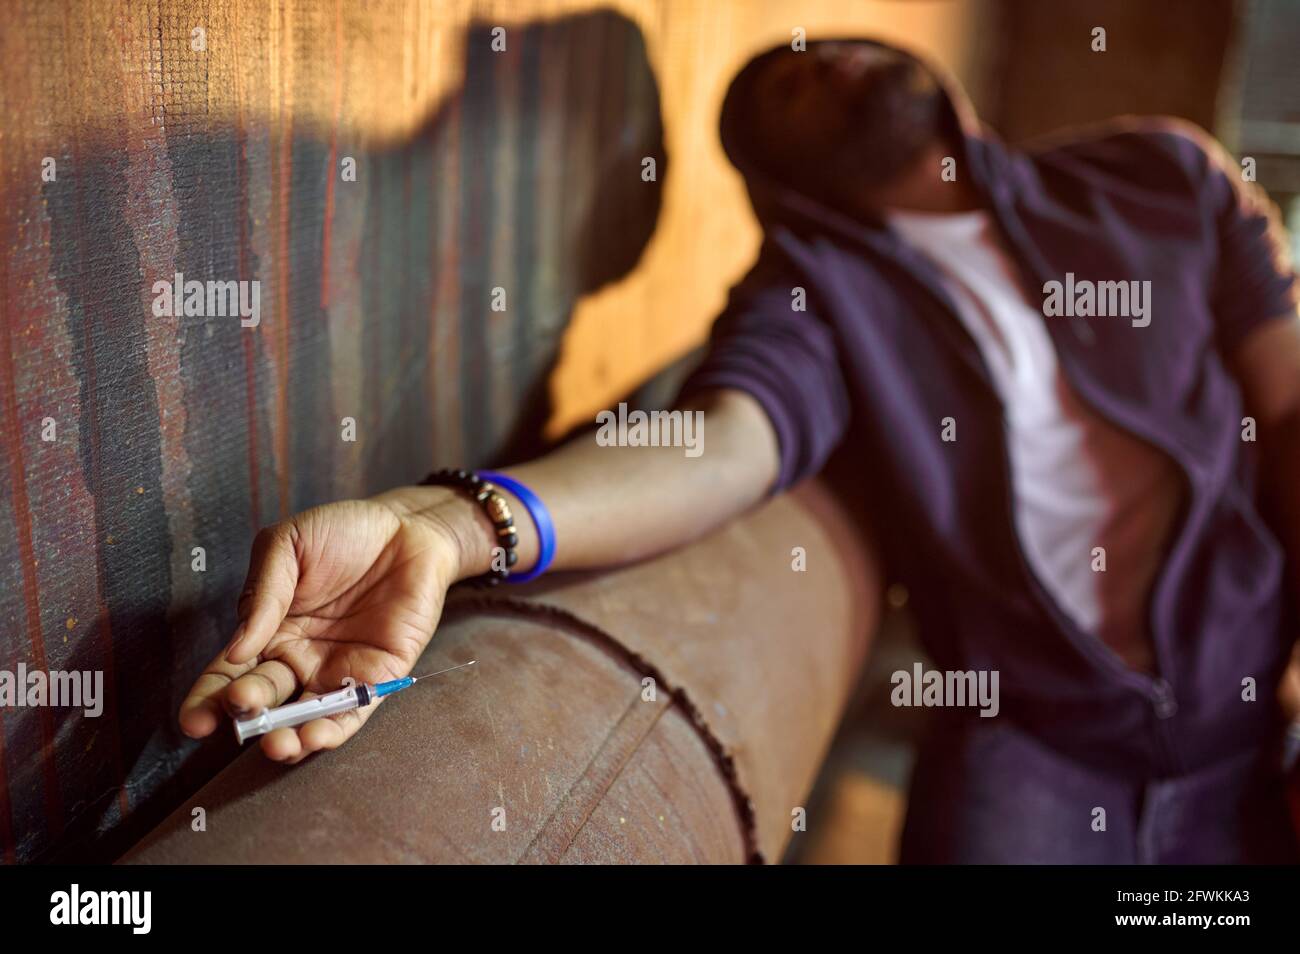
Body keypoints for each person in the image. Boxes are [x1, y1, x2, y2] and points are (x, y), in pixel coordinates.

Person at [179, 38, 1300, 863]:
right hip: (1034, 741)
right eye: (782, 86)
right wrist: (450, 523)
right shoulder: (813, 295)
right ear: (781, 186)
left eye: (835, 50)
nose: (824, 64)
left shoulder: (1160, 179)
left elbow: (1290, 415)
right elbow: (723, 444)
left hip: (1257, 701)